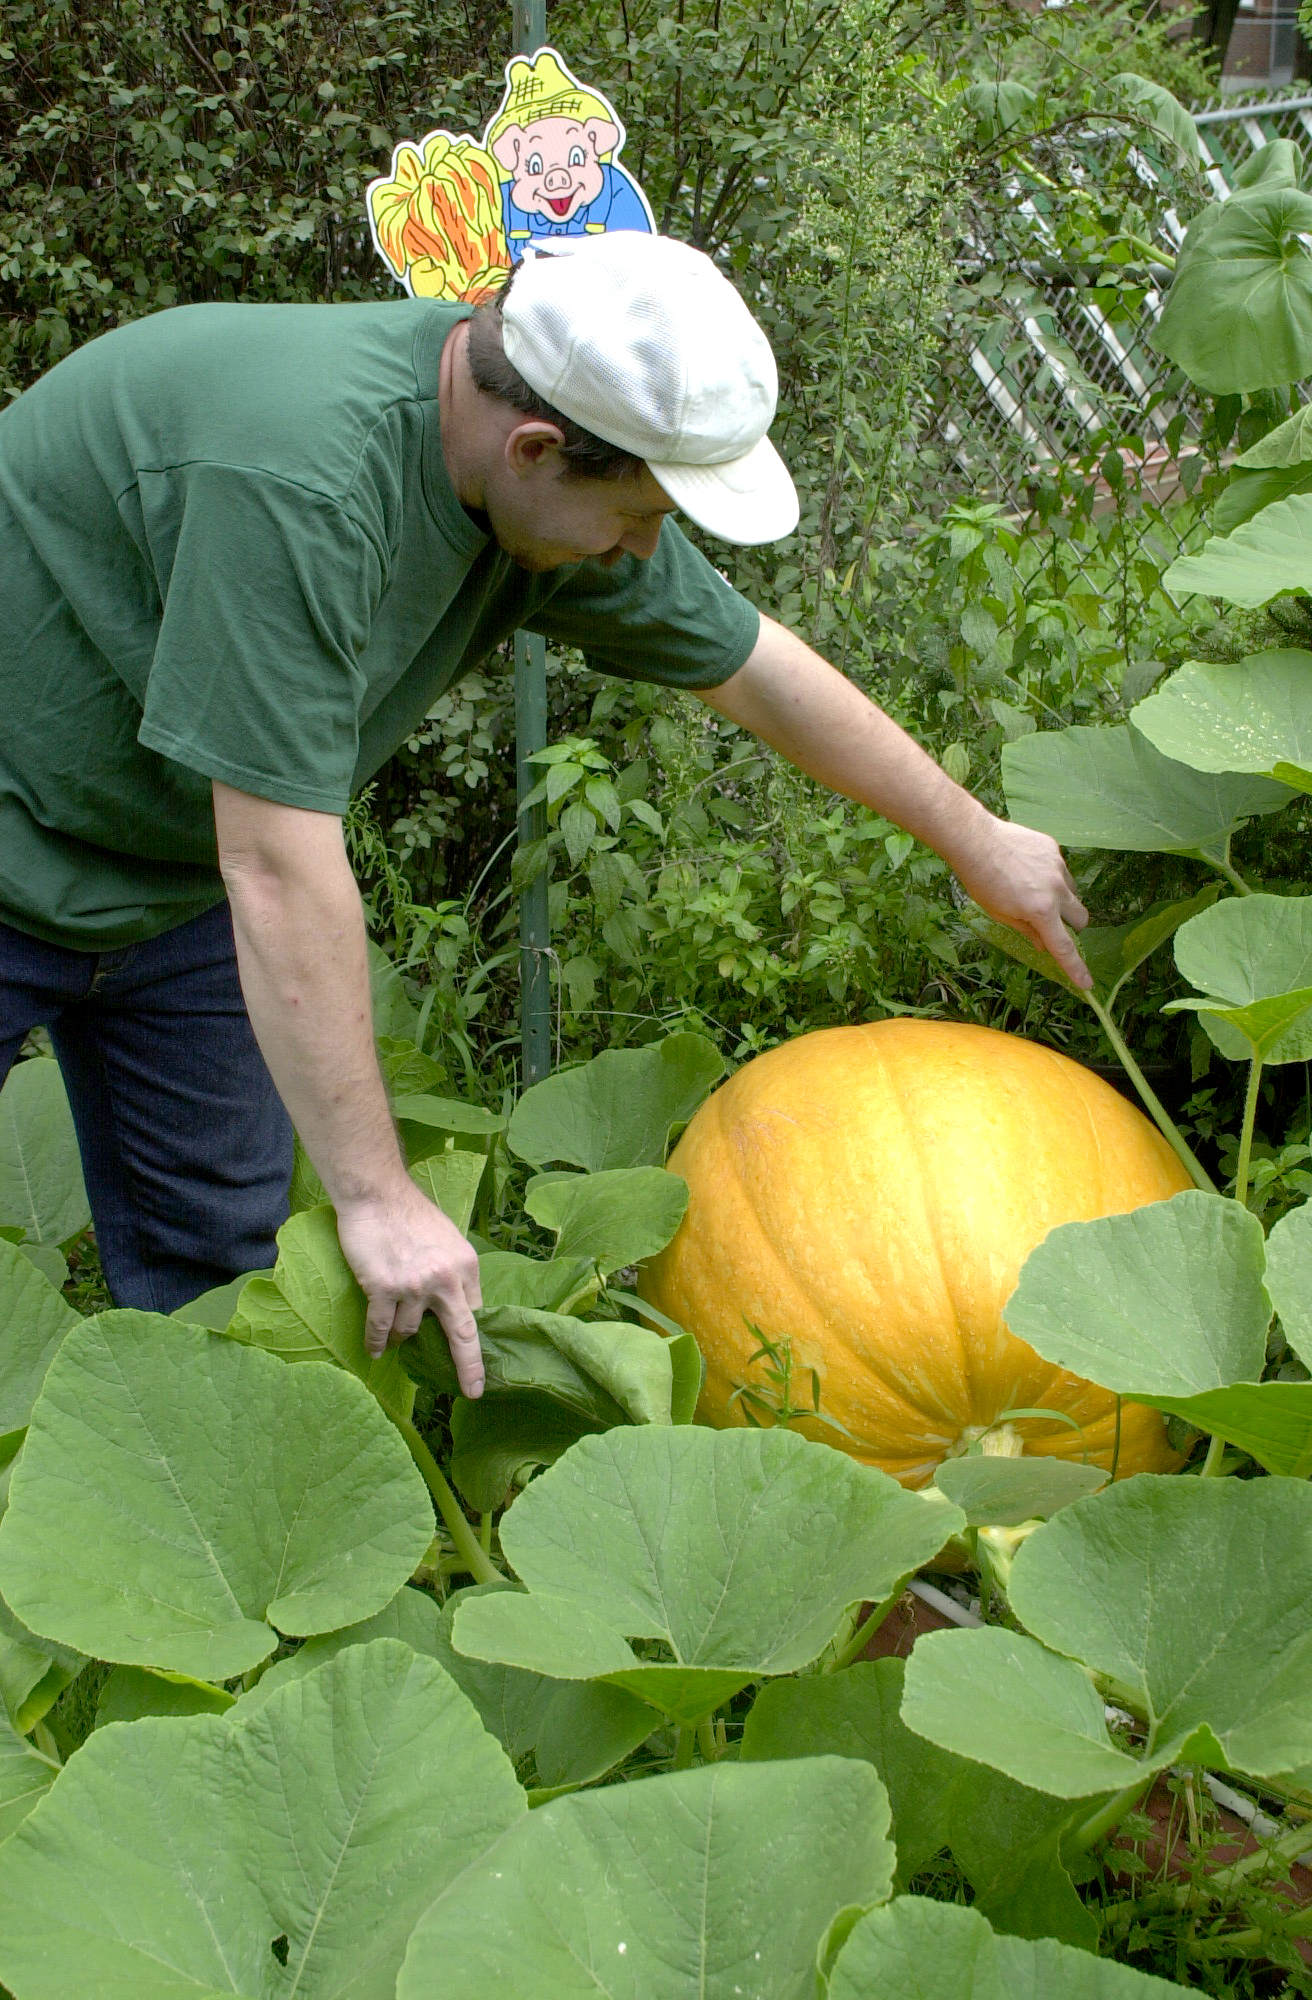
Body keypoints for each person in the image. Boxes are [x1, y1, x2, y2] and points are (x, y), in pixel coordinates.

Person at [0, 231, 1090, 1398]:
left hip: (172, 886)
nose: (643, 551)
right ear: (534, 447)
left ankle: (182, 1545)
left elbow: (754, 667)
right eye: (639, 518)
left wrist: (977, 841)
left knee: (214, 1261)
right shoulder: (303, 478)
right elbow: (275, 860)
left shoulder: (536, 475)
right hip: (42, 837)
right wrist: (375, 1197)